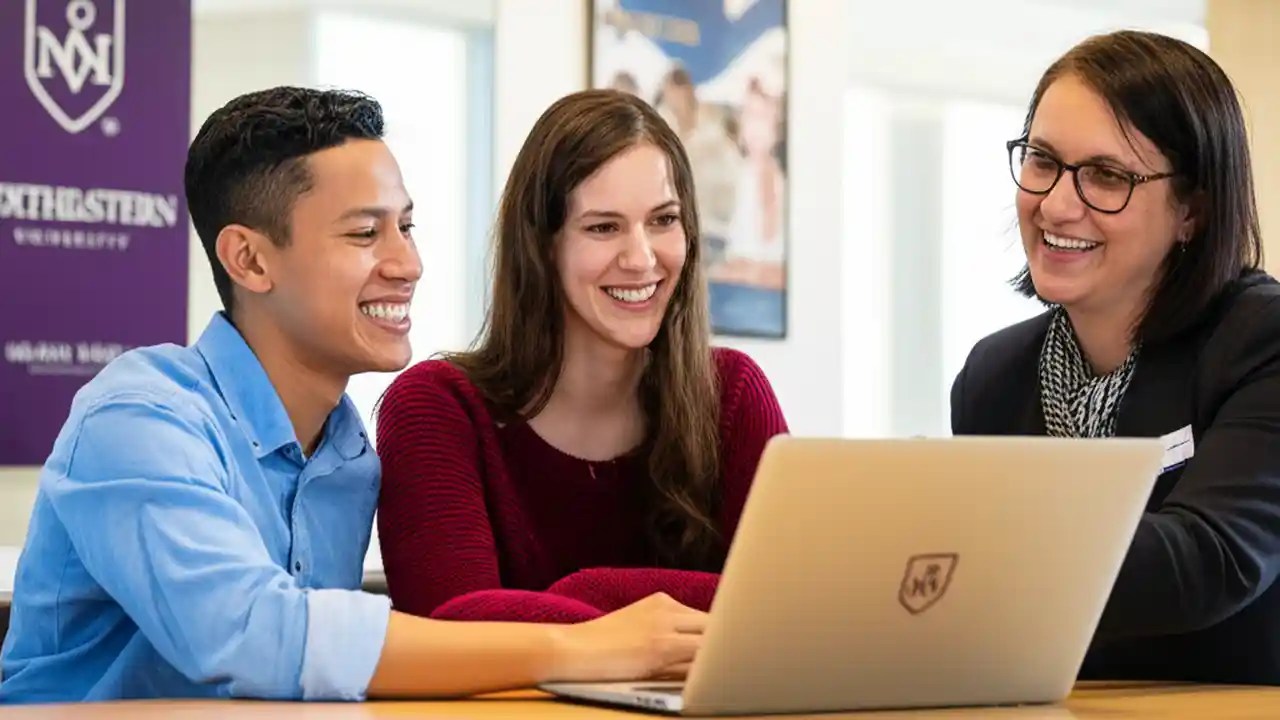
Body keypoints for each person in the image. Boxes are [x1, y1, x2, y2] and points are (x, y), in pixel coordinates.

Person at [0, 87, 709, 704]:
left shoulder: (346, 457)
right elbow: (249, 634)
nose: (408, 264)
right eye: (366, 233)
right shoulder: (138, 415)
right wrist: (587, 648)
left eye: (406, 226)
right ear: (249, 258)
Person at [374, 89, 789, 624]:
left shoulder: (730, 392)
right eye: (603, 227)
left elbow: (792, 600)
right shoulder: (435, 408)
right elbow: (454, 625)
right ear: (542, 246)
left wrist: (586, 592)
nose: (641, 258)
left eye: (663, 220)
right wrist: (635, 607)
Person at [950, 30, 1280, 684]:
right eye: (1042, 160)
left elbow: (1210, 559)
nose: (1056, 204)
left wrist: (955, 536)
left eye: (1106, 176)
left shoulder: (1259, 341)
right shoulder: (992, 376)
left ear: (1192, 210)